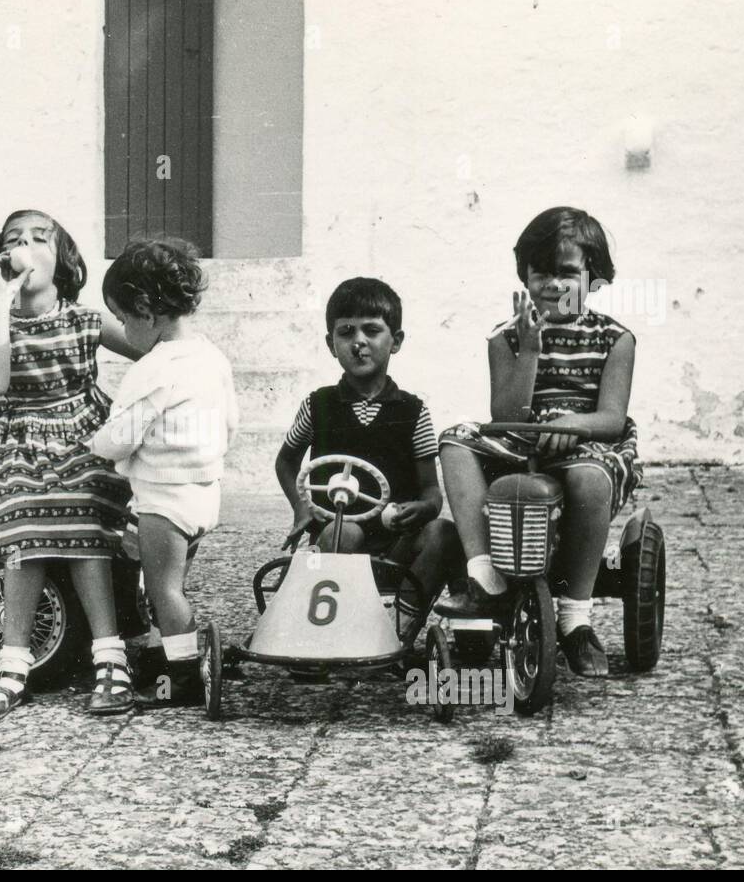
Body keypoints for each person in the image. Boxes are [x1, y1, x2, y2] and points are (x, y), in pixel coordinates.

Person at [0, 210, 143, 724]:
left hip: (83, 437)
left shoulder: (85, 320)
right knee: (25, 523)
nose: (26, 246)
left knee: (82, 513)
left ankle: (110, 657)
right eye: (14, 240)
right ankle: (12, 665)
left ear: (62, 258)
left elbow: (152, 350)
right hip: (17, 442)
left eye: (40, 239)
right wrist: (0, 298)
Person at [438, 206, 641, 677]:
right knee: (454, 441)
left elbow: (612, 418)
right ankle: (483, 571)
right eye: (541, 273)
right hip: (520, 439)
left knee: (591, 482)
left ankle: (575, 617)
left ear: (593, 279)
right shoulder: (505, 338)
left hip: (586, 442)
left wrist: (571, 423)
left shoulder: (615, 339)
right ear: (524, 278)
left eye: (567, 272)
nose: (553, 284)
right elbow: (506, 415)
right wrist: (529, 348)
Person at [86, 237, 239, 707]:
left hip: (164, 500)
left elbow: (122, 434)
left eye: (122, 317)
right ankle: (164, 655)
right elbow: (230, 419)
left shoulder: (153, 368)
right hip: (203, 493)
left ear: (145, 312)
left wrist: (94, 444)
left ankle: (182, 677)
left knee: (163, 589)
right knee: (174, 583)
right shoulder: (211, 356)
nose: (121, 329)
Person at [275, 277, 464, 644]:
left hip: (397, 544)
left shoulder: (413, 411)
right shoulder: (318, 405)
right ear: (331, 344)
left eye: (372, 330)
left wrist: (421, 508)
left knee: (443, 533)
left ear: (395, 341)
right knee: (345, 530)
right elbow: (286, 462)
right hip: (337, 536)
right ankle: (321, 635)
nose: (358, 342)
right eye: (346, 332)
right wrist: (301, 509)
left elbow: (431, 492)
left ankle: (396, 633)